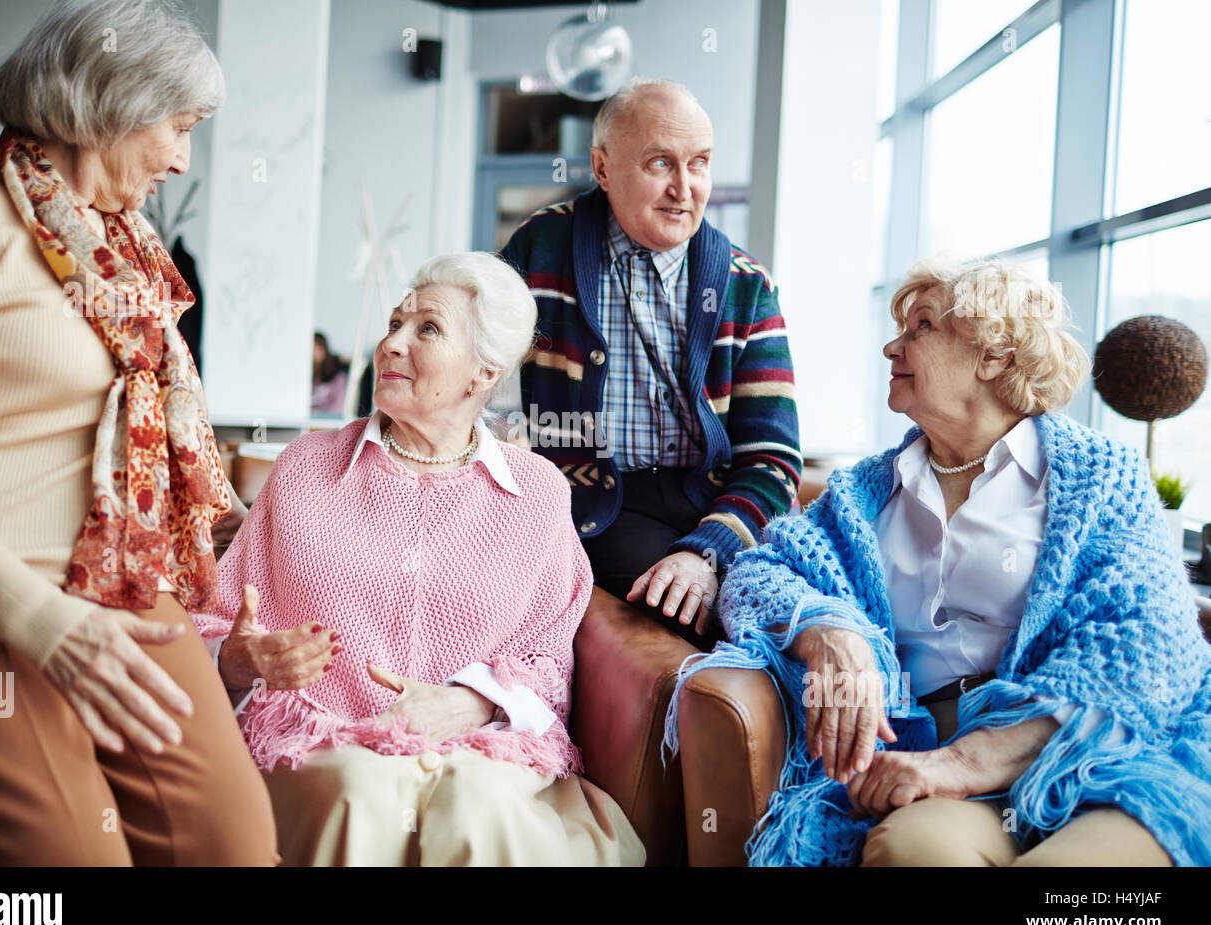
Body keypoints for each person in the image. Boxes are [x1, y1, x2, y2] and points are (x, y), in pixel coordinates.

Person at [667, 258, 1211, 866]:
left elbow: (1147, 646)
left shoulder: (1102, 477)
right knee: (913, 851)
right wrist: (828, 631)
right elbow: (758, 572)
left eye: (921, 326)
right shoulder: (865, 492)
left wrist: (965, 763)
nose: (891, 345)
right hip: (927, 760)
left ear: (994, 356)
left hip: (1098, 754)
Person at [0, 0, 275, 865]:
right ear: (112, 100)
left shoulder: (131, 249)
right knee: (66, 862)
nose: (184, 159)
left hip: (121, 578)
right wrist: (40, 622)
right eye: (178, 127)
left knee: (232, 841)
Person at [192, 252, 644, 866]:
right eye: (394, 324)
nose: (392, 345)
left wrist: (475, 701)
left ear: (483, 373)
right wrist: (241, 660)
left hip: (480, 749)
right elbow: (212, 621)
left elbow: (548, 651)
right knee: (362, 790)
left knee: (480, 804)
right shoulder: (304, 469)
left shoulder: (537, 492)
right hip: (327, 740)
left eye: (426, 329)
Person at [500, 79, 802, 648]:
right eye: (661, 163)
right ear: (603, 167)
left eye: (700, 164)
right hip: (590, 500)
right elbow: (475, 369)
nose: (683, 189)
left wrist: (709, 549)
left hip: (711, 504)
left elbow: (772, 459)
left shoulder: (745, 285)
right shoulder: (538, 249)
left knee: (805, 620)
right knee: (703, 625)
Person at [311, 331, 348, 417]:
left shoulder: (339, 378)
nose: (313, 354)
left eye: (316, 349)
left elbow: (338, 408)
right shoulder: (307, 378)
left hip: (328, 424)